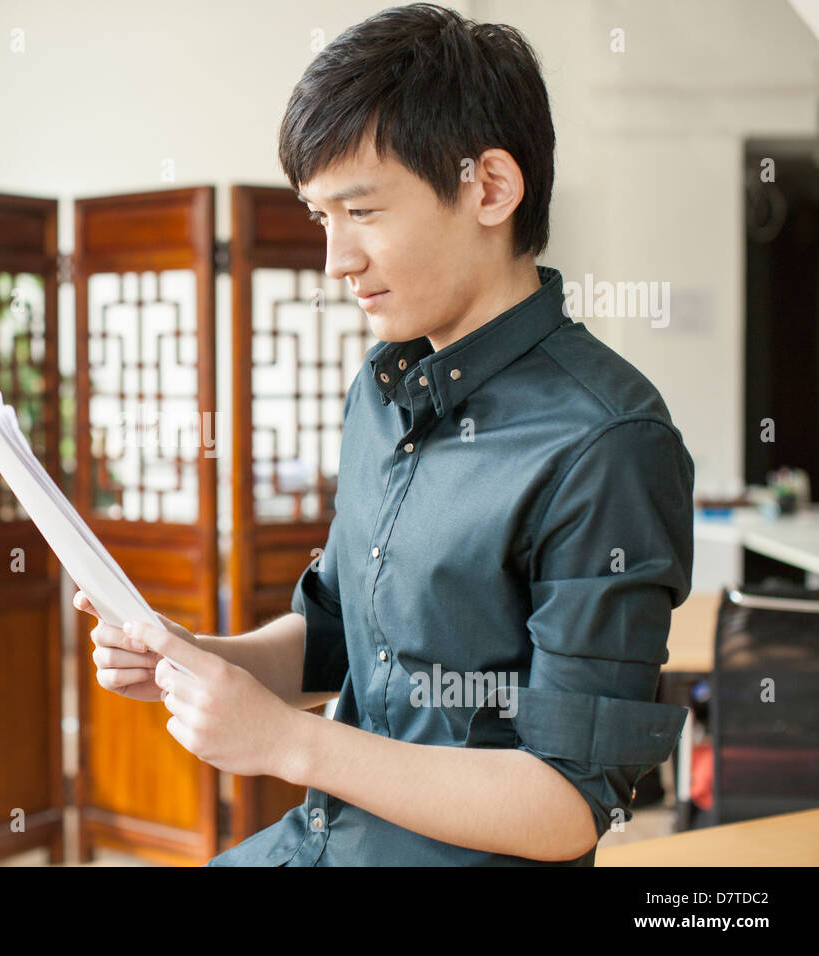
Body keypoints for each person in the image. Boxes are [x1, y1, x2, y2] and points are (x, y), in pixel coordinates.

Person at [76, 2, 693, 866]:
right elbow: (336, 636)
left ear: (490, 188)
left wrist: (290, 744)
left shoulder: (608, 442)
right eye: (319, 217)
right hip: (321, 843)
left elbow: (566, 809)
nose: (335, 261)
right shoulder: (383, 390)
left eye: (361, 212)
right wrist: (193, 658)